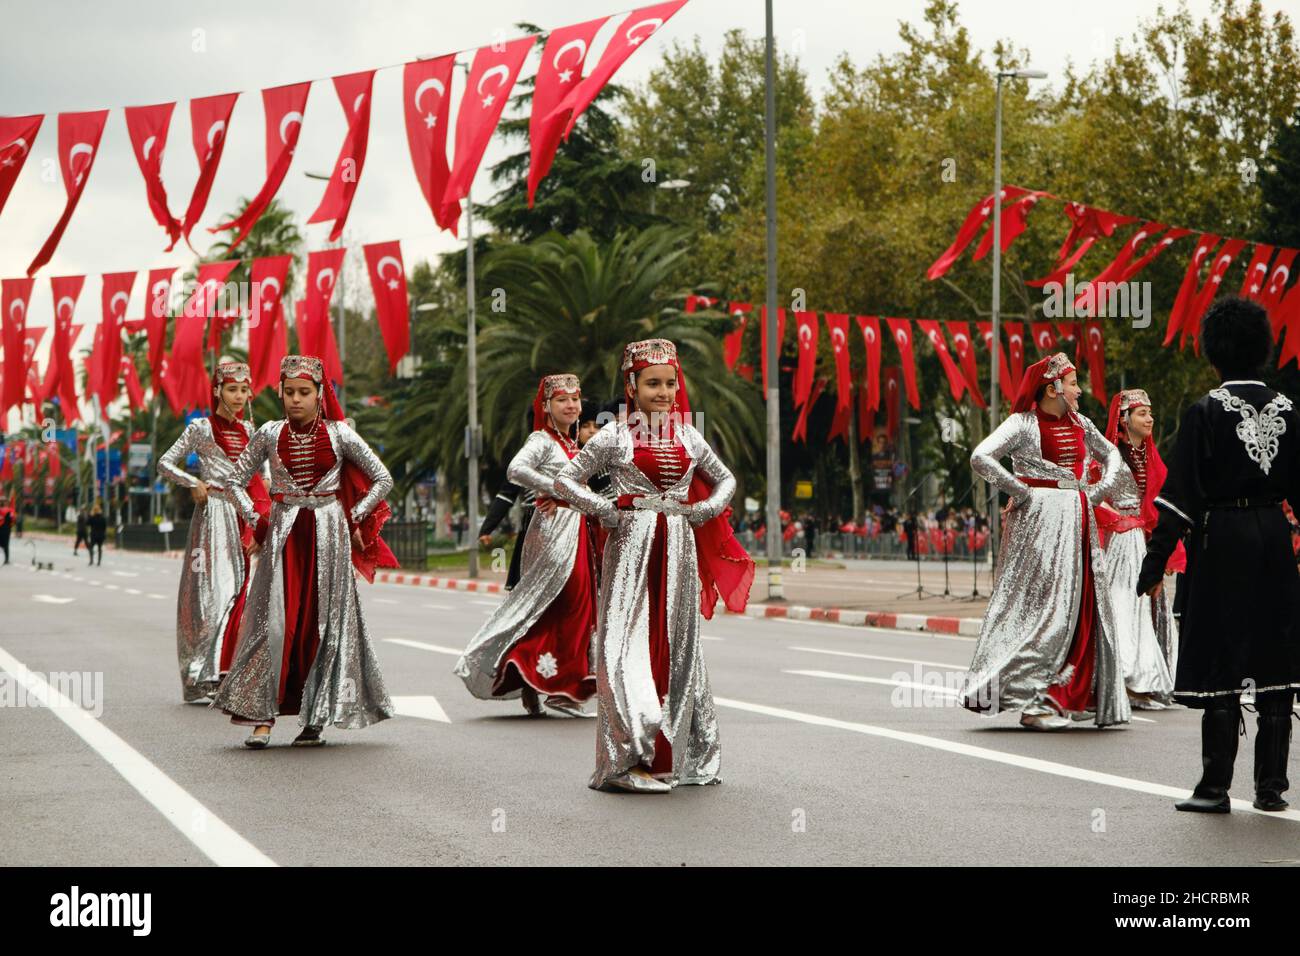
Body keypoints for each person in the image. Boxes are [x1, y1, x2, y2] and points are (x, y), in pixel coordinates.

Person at [554, 338, 754, 792]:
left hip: (678, 545)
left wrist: (705, 510)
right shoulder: (615, 434)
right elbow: (566, 480)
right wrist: (604, 510)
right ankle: (626, 760)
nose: (663, 392)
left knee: (678, 643)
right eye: (652, 384)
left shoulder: (688, 433)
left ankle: (675, 755)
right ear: (632, 385)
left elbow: (725, 479)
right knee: (624, 644)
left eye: (669, 383)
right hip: (631, 546)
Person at [1137, 297, 1300, 812]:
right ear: (1261, 351)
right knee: (1277, 658)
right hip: (1275, 537)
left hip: (1223, 539)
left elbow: (1180, 499)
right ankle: (1271, 789)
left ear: (1214, 355)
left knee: (1222, 661)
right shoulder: (1292, 412)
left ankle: (1214, 788)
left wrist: (1154, 563)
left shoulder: (1204, 412)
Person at [211, 355, 398, 748]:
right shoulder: (267, 433)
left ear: (319, 395)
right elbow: (234, 479)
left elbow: (382, 477)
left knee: (323, 626)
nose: (296, 400)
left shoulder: (340, 434)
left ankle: (313, 718)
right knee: (275, 623)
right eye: (289, 392)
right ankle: (262, 716)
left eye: (304, 392)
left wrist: (356, 514)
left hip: (328, 534)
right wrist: (257, 518)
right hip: (283, 535)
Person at [960, 352, 1130, 730]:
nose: (1079, 390)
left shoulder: (1081, 423)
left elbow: (1113, 455)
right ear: (1052, 387)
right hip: (1037, 525)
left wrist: (1098, 491)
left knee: (1080, 606)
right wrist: (1021, 491)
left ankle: (1066, 694)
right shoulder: (1021, 424)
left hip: (1077, 519)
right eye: (1073, 383)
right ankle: (1032, 699)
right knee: (1043, 609)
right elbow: (981, 456)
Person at [454, 374, 599, 718]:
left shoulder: (572, 444)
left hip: (576, 530)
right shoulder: (542, 440)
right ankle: (557, 684)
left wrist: (576, 497)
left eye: (575, 399)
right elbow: (516, 469)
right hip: (551, 533)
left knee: (571, 607)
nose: (571, 405)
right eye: (562, 400)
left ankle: (540, 680)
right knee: (569, 602)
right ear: (547, 407)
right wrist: (557, 488)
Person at [156, 361, 271, 703]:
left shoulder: (253, 431)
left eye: (244, 390)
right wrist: (193, 482)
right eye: (232, 389)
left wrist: (263, 519)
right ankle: (201, 673)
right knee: (214, 591)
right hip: (213, 516)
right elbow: (165, 462)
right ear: (217, 390)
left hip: (245, 513)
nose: (239, 396)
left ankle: (230, 668)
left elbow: (263, 477)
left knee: (246, 591)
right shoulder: (200, 429)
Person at [1092, 388, 1182, 710]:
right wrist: (1118, 520)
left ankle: (1143, 679)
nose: (1150, 419)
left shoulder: (1151, 458)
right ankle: (1125, 677)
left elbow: (1161, 509)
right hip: (1116, 543)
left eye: (1150, 413)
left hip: (1142, 544)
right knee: (1122, 605)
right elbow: (1091, 497)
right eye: (1142, 414)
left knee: (1144, 608)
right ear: (1124, 419)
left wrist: (1164, 552)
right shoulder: (1108, 456)